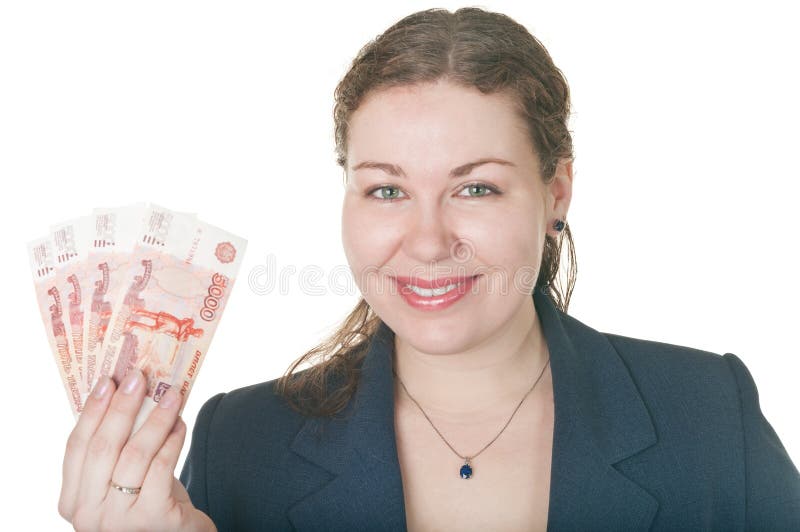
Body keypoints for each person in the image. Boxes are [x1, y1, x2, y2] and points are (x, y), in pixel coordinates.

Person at [58, 7, 800, 531]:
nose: (426, 240)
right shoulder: (240, 444)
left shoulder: (710, 417)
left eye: (476, 188)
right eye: (387, 190)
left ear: (556, 193)